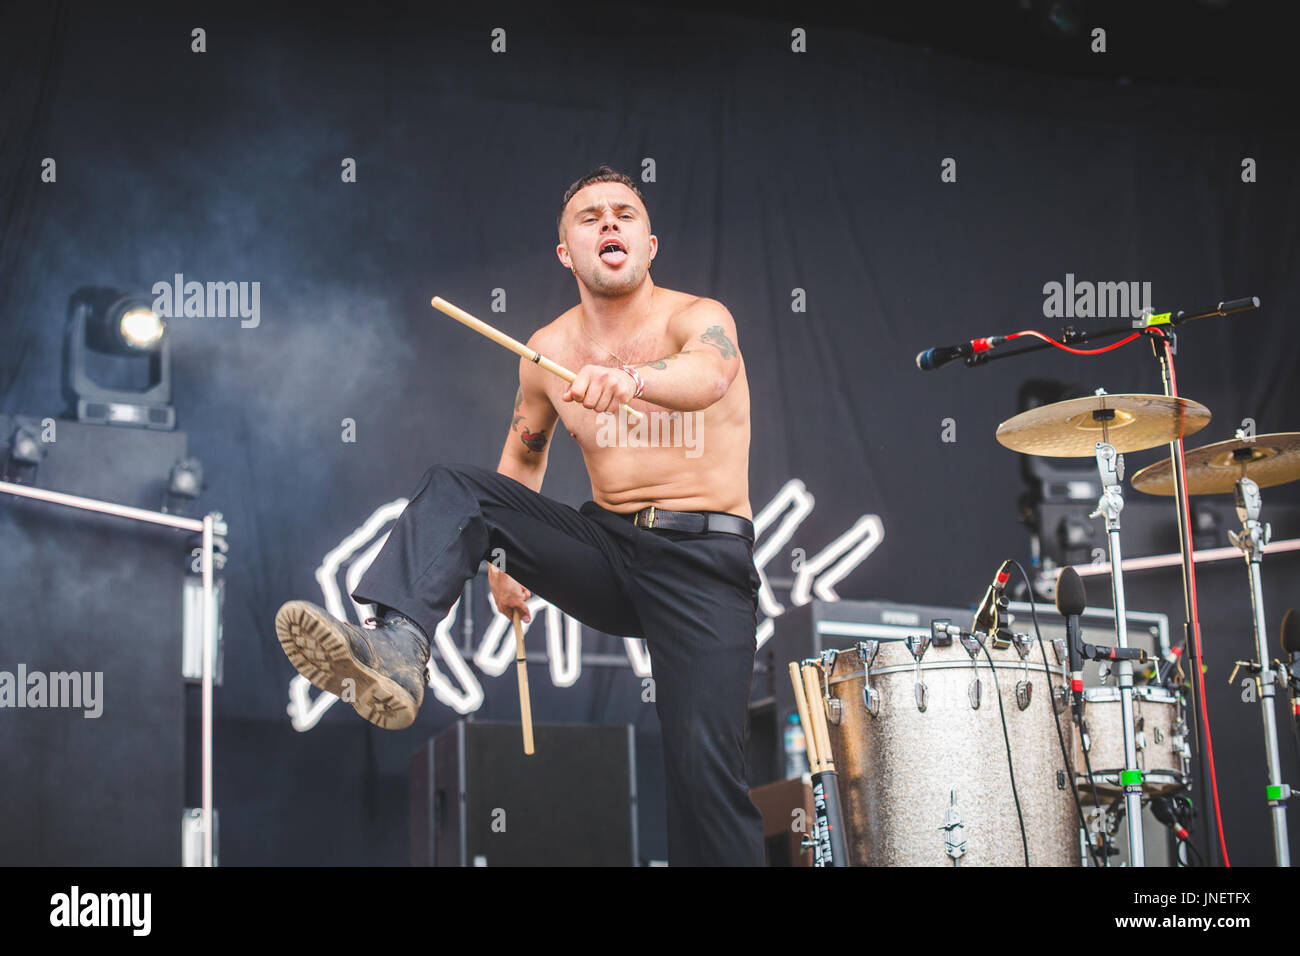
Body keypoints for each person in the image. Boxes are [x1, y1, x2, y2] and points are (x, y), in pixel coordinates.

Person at [276, 165, 764, 866]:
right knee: (458, 490)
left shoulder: (700, 318)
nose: (609, 224)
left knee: (703, 776)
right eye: (589, 217)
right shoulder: (548, 352)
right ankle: (398, 646)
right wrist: (503, 566)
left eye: (625, 214)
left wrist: (630, 379)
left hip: (703, 565)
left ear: (651, 244)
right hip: (611, 551)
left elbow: (709, 375)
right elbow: (523, 455)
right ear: (566, 252)